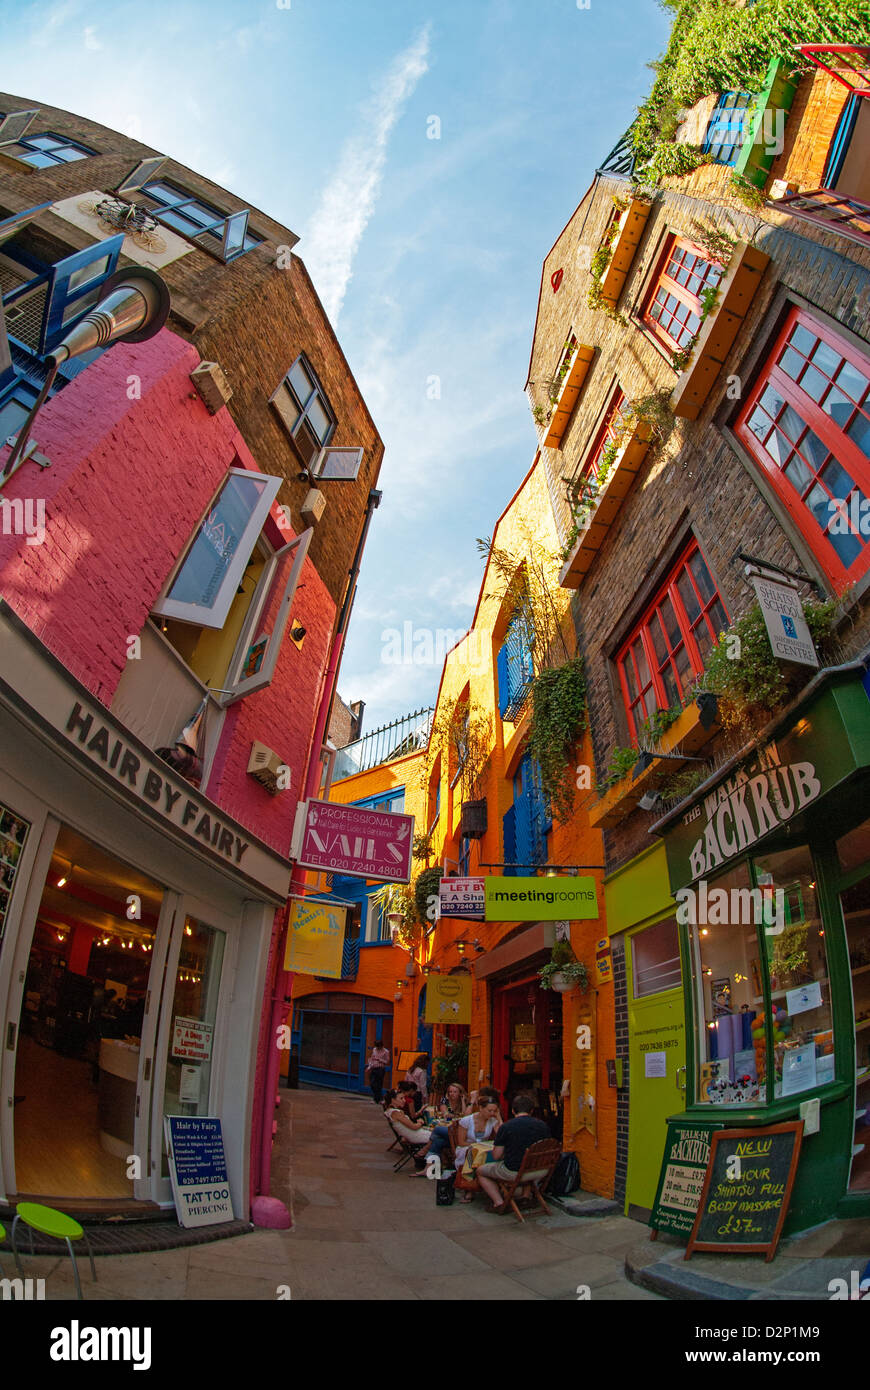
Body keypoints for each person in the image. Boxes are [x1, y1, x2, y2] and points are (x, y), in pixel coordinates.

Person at [475, 1094, 551, 1214]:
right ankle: (525, 1197)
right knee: (526, 1161)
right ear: (531, 1110)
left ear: (513, 1110)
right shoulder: (543, 1126)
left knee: (480, 1171)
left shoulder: (507, 1127)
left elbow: (496, 1156)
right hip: (540, 1171)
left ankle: (499, 1203)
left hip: (515, 1172)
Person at [366, 1040, 391, 1105]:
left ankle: (377, 1099)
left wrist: (379, 1059)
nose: (378, 1049)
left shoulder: (386, 1052)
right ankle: (379, 1098)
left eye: (379, 1047)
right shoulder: (374, 1050)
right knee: (372, 1084)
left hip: (380, 1068)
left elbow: (387, 1061)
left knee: (379, 1084)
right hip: (374, 1068)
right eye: (377, 1047)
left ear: (381, 1046)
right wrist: (369, 1067)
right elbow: (371, 1058)